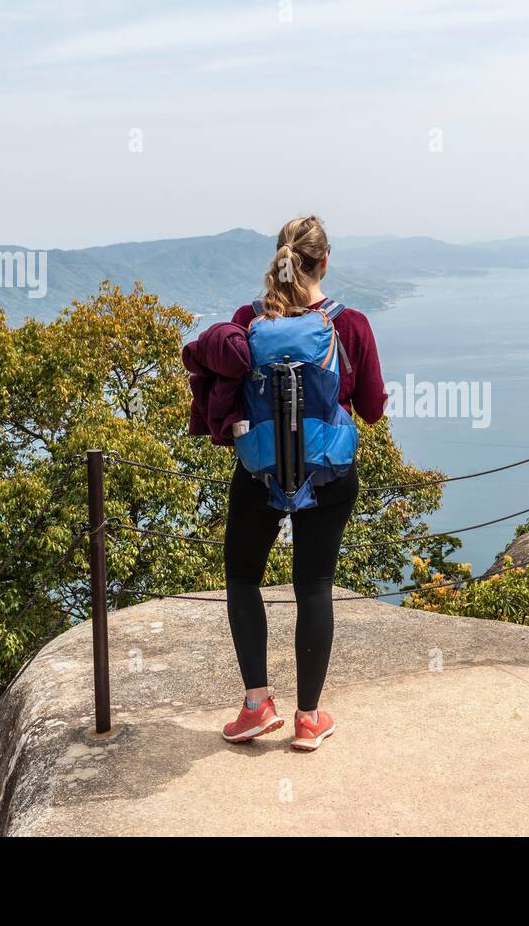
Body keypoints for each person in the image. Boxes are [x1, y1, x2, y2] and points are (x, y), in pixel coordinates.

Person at [221, 215, 386, 751]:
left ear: (279, 258)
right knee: (312, 587)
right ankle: (309, 720)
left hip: (260, 472)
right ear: (325, 260)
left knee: (243, 577)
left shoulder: (248, 320)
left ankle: (255, 706)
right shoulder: (351, 324)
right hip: (328, 473)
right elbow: (372, 408)